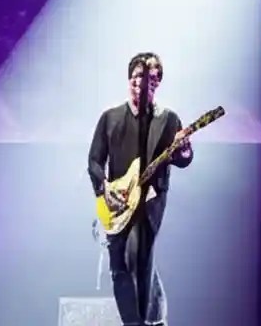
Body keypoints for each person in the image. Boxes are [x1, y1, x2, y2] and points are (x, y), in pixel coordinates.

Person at [87, 53, 194, 326]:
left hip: (150, 200)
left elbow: (183, 160)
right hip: (119, 202)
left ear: (157, 83)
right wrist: (104, 188)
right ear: (129, 79)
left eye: (148, 79)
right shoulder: (110, 118)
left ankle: (143, 322)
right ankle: (143, 320)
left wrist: (184, 149)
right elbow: (94, 161)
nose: (141, 83)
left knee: (138, 257)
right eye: (136, 77)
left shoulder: (168, 120)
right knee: (118, 267)